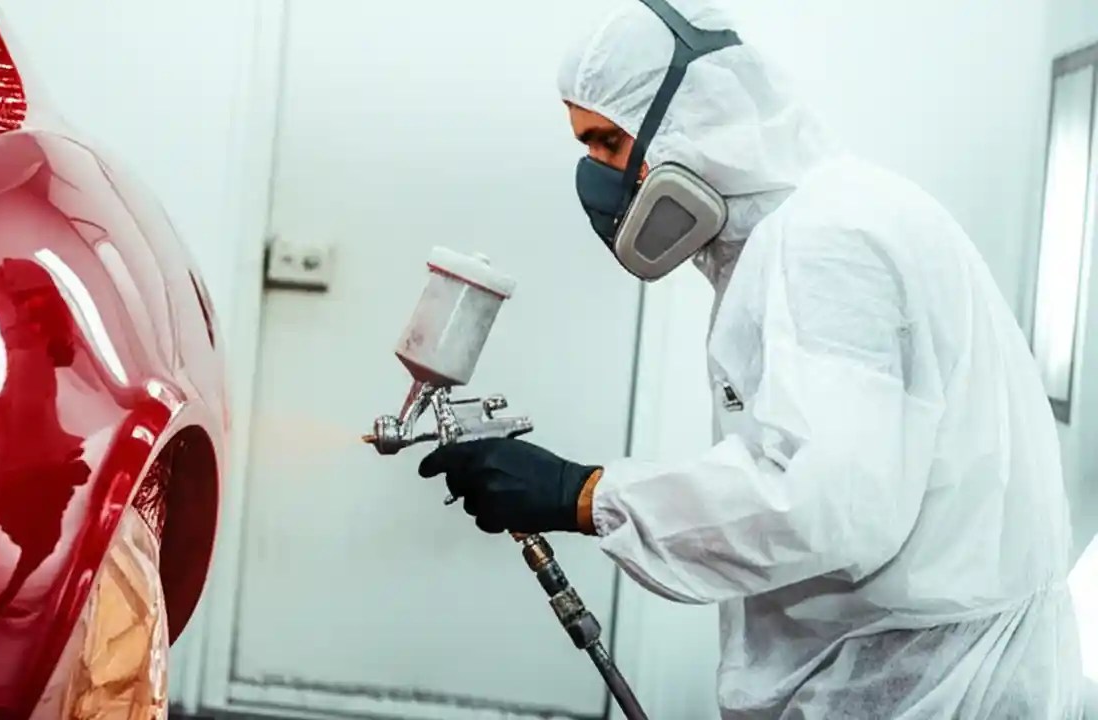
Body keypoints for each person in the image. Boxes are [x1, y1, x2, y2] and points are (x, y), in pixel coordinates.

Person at [417, 0, 1084, 716]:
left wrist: (582, 494)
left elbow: (825, 503)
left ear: (690, 122)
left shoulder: (827, 243)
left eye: (608, 142)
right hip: (898, 663)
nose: (598, 176)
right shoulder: (818, 222)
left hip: (926, 687)